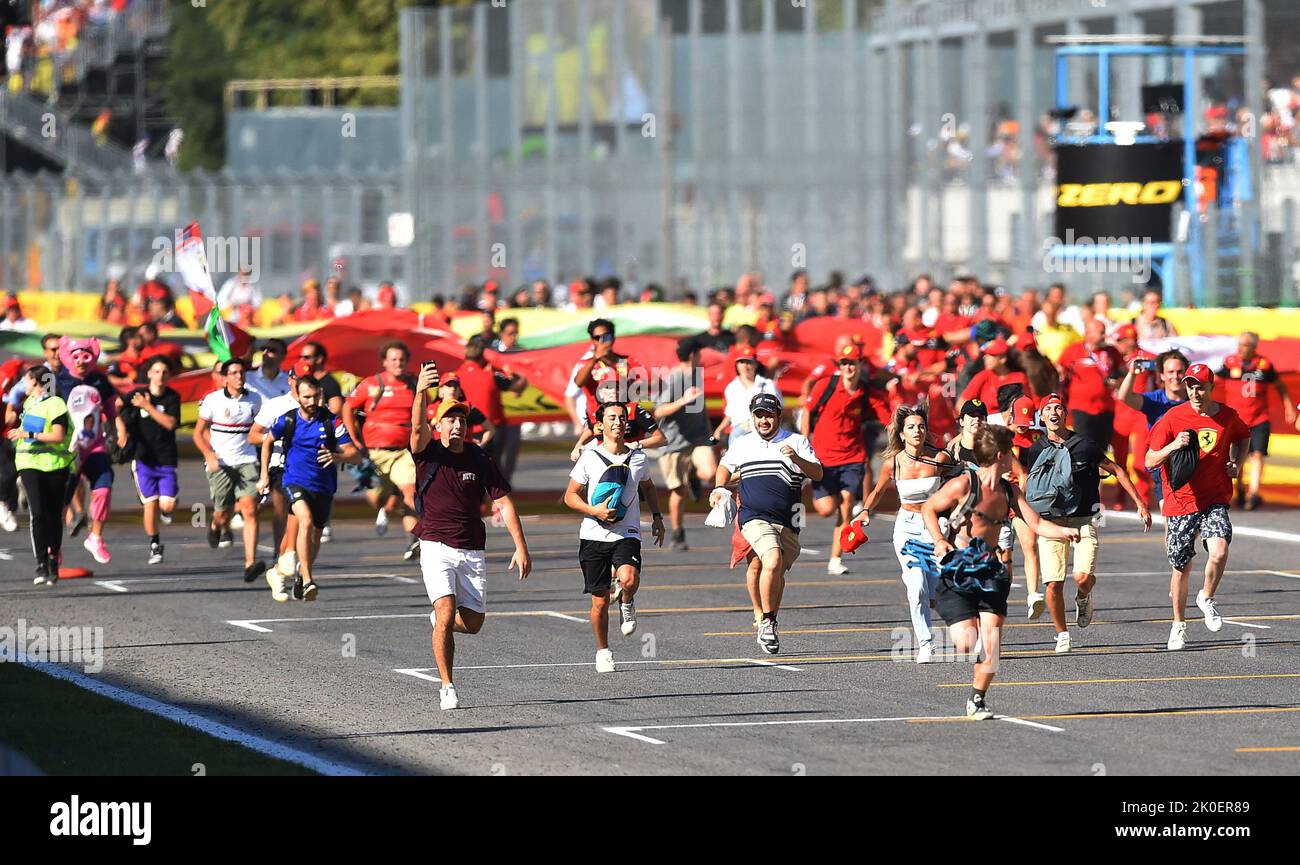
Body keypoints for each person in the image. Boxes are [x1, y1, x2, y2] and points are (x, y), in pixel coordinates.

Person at [921, 426, 1081, 719]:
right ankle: (974, 653)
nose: (1013, 459)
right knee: (968, 642)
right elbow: (929, 509)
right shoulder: (963, 485)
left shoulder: (1009, 490)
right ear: (1000, 456)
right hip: (958, 571)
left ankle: (977, 699)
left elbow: (1036, 523)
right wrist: (940, 540)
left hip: (991, 573)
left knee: (992, 644)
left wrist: (1064, 531)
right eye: (1009, 454)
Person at [410, 364, 533, 711]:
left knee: (474, 624)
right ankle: (447, 685)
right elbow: (417, 426)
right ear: (439, 424)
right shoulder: (427, 452)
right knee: (446, 612)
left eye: (462, 420)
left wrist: (520, 546)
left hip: (472, 549)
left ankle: (440, 624)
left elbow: (504, 502)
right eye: (450, 419)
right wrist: (421, 391)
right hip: (435, 545)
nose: (458, 425)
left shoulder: (479, 456)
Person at [1022, 393, 1151, 654]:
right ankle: (1062, 634)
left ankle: (1084, 596)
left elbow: (1117, 470)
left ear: (1065, 414)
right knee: (1053, 583)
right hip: (1052, 523)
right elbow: (1030, 485)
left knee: (1081, 577)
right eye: (1048, 409)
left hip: (1083, 521)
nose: (1054, 413)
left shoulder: (1085, 445)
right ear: (1042, 416)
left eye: (1058, 408)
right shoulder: (1036, 449)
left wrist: (1140, 503)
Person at [1146, 364, 1250, 651]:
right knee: (1181, 566)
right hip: (1181, 502)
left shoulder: (1227, 416)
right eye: (1190, 386)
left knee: (1219, 551)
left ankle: (1206, 596)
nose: (1195, 391)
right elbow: (1150, 459)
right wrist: (1173, 447)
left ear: (1211, 387)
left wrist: (1237, 464)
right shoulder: (1173, 417)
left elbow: (1244, 436)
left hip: (1214, 498)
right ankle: (1178, 624)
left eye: (1200, 386)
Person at [710, 392, 823, 654]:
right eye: (759, 415)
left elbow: (817, 472)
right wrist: (718, 488)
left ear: (778, 417)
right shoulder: (742, 444)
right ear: (752, 418)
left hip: (789, 520)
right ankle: (766, 620)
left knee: (777, 572)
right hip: (753, 517)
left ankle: (768, 618)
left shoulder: (797, 441)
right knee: (768, 561)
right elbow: (725, 467)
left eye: (768, 415)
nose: (764, 420)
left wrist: (796, 458)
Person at [565, 401, 666, 672]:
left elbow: (648, 486)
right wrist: (593, 510)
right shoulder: (589, 456)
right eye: (612, 418)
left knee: (628, 578)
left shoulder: (639, 458)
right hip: (593, 534)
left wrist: (657, 517)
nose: (618, 422)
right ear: (600, 425)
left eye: (622, 418)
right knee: (599, 601)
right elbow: (570, 496)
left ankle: (627, 600)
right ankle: (603, 650)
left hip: (627, 530)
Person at [859, 404, 957, 662]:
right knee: (916, 589)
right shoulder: (894, 462)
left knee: (933, 590)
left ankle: (935, 593)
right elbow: (879, 491)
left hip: (935, 526)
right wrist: (866, 510)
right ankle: (926, 644)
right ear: (902, 434)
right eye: (911, 427)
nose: (917, 431)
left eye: (921, 427)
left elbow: (962, 482)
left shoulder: (940, 459)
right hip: (907, 526)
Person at [263, 376, 361, 602]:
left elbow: (355, 455)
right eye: (307, 396)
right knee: (304, 521)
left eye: (316, 396)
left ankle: (292, 574)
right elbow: (268, 441)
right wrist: (263, 476)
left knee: (315, 537)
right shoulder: (287, 420)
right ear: (297, 396)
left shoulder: (332, 423)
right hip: (294, 481)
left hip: (324, 487)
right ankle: (307, 579)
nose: (312, 401)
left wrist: (336, 455)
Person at [343, 341, 422, 562]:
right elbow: (348, 407)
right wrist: (353, 438)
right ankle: (386, 507)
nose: (398, 363)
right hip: (374, 453)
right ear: (385, 362)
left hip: (403, 453)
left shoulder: (414, 385)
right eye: (393, 359)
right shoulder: (371, 384)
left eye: (402, 359)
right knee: (377, 500)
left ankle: (414, 540)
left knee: (411, 492)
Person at [803, 342, 873, 576]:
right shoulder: (826, 385)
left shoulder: (865, 392)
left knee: (846, 506)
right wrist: (804, 441)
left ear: (860, 364)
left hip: (852, 457)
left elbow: (886, 414)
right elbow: (806, 412)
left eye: (852, 362)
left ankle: (835, 559)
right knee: (826, 509)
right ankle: (827, 496)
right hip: (823, 457)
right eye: (844, 363)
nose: (848, 367)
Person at [194, 358, 266, 582]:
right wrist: (209, 454)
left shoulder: (255, 399)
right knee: (222, 512)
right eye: (233, 373)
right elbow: (198, 432)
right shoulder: (212, 400)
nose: (238, 376)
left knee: (250, 510)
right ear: (225, 377)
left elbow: (261, 428)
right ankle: (216, 524)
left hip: (247, 460)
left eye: (241, 372)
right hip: (221, 463)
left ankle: (250, 563)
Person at [250, 360, 316, 587]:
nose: (303, 385)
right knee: (285, 509)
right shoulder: (275, 405)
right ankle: (284, 556)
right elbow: (254, 436)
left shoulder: (318, 406)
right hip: (280, 465)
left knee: (308, 519)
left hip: (310, 468)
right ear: (290, 380)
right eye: (298, 380)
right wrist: (278, 438)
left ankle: (289, 564)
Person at [8, 366, 74, 585]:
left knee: (53, 515)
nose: (23, 385)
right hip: (29, 464)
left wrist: (27, 433)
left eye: (26, 380)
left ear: (36, 381)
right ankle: (41, 563)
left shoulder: (56, 403)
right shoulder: (28, 404)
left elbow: (58, 435)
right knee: (37, 513)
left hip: (55, 464)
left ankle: (54, 556)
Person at [55, 337, 118, 565]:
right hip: (66, 448)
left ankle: (96, 537)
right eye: (76, 356)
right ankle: (54, 547)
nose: (81, 362)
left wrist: (119, 433)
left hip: (95, 445)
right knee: (61, 501)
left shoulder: (100, 380)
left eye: (86, 356)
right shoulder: (57, 381)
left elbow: (112, 410)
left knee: (103, 488)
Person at [1217, 332, 1295, 510]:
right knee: (1237, 457)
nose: (1241, 349)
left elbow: (1280, 385)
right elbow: (1214, 380)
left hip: (1259, 418)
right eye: (1239, 345)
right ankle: (1241, 488)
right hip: (1237, 420)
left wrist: (1289, 406)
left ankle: (1254, 493)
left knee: (1258, 454)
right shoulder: (1230, 362)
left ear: (1253, 347)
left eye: (1245, 345)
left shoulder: (1264, 365)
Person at [116, 356, 180, 565]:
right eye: (157, 371)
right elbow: (116, 408)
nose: (160, 375)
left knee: (168, 505)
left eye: (164, 372)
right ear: (150, 373)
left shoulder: (172, 397)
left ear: (169, 376)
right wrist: (122, 432)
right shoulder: (135, 394)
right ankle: (155, 544)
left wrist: (147, 406)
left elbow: (170, 424)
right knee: (149, 504)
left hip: (166, 458)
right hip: (142, 458)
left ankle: (166, 510)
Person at [653, 339, 714, 551]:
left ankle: (695, 476)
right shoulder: (675, 379)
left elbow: (701, 407)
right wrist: (682, 401)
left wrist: (709, 431)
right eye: (699, 353)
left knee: (710, 472)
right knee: (678, 491)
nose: (701, 358)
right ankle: (678, 533)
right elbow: (658, 411)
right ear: (691, 355)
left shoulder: (697, 376)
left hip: (698, 439)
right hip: (674, 443)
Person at [1116, 348, 1189, 505]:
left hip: (1191, 466)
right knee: (1170, 520)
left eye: (1179, 371)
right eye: (1170, 372)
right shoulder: (1155, 400)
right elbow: (1124, 397)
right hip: (1163, 468)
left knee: (1192, 522)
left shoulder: (1195, 400)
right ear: (1162, 375)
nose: (1175, 376)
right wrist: (1133, 374)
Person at [456, 333, 528, 481]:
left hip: (463, 432)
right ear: (483, 355)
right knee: (492, 475)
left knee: (466, 474)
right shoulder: (492, 375)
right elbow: (517, 387)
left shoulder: (454, 377)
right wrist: (521, 374)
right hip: (491, 432)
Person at [1056, 317, 1124, 449]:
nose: (1104, 335)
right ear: (1087, 333)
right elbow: (1058, 371)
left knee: (1101, 451)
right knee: (1083, 448)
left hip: (1106, 408)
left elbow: (1122, 373)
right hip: (1081, 409)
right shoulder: (1073, 350)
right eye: (1101, 332)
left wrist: (1117, 382)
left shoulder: (1112, 352)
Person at [716, 348, 779, 445]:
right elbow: (730, 414)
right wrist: (719, 430)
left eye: (748, 362)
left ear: (756, 364)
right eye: (742, 362)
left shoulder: (768, 385)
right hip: (739, 430)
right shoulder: (731, 388)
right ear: (736, 365)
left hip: (764, 428)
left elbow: (779, 411)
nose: (745, 366)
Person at [957, 338, 1032, 417]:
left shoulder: (1020, 378)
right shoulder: (983, 376)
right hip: (988, 424)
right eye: (985, 354)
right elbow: (960, 404)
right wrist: (976, 419)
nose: (985, 357)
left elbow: (1028, 405)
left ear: (1002, 358)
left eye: (991, 355)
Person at [293, 341, 344, 414]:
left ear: (319, 359)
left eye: (306, 357)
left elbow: (336, 410)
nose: (301, 360)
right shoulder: (304, 380)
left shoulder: (330, 383)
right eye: (300, 357)